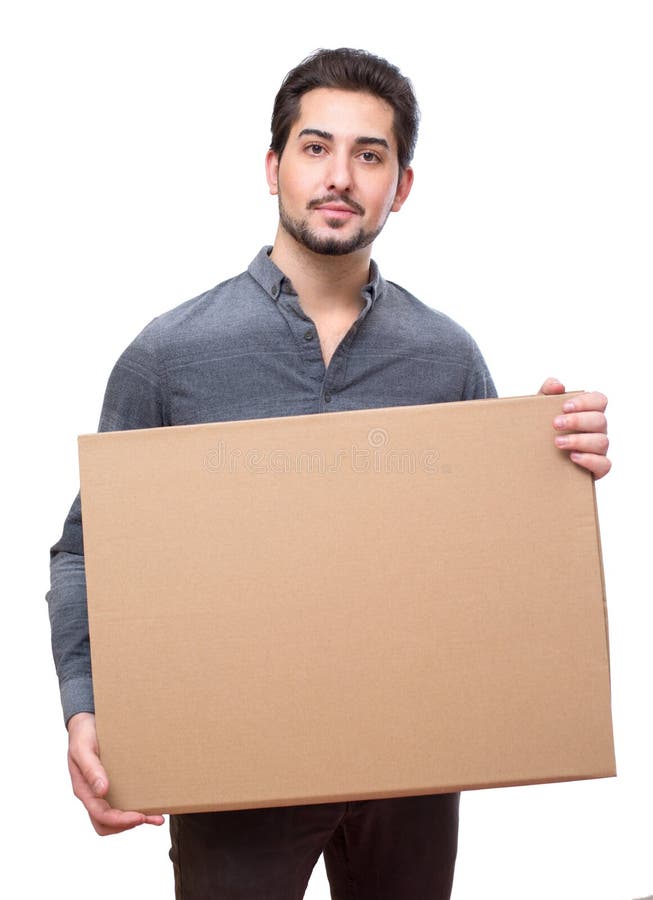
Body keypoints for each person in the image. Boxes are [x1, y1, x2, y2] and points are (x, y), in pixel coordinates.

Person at [47, 48, 611, 900]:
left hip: (413, 771)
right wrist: (85, 709)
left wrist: (549, 471)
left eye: (369, 155)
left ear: (402, 186)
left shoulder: (444, 356)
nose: (339, 176)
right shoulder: (172, 353)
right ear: (273, 167)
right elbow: (85, 551)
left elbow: (488, 571)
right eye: (315, 148)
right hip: (233, 759)